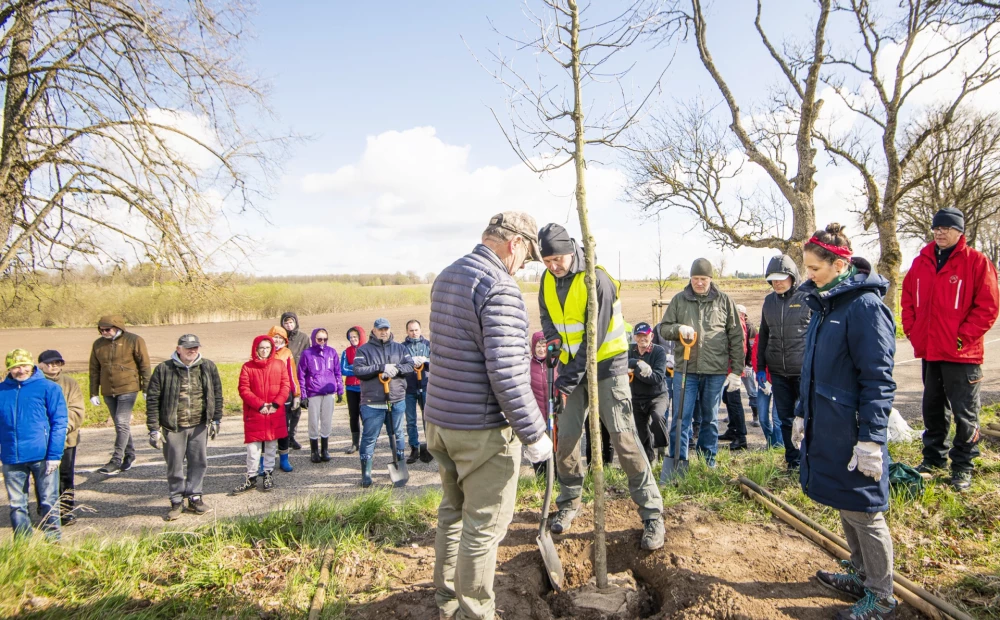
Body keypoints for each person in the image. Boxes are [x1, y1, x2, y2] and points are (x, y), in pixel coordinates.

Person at [424, 212, 552, 620]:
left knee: (453, 514)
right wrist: (535, 435)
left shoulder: (448, 275)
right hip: (480, 430)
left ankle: (446, 601)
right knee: (483, 526)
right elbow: (508, 372)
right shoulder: (500, 288)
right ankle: (475, 612)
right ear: (513, 243)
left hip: (441, 421)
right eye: (526, 256)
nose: (524, 266)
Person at [538, 222, 664, 550]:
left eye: (558, 259)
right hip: (569, 369)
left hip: (606, 367)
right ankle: (568, 503)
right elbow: (546, 315)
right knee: (564, 440)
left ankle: (652, 514)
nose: (553, 266)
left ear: (572, 250)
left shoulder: (598, 279)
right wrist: (552, 340)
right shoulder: (547, 280)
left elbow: (592, 341)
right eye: (547, 261)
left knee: (624, 440)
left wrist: (565, 383)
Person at [794, 224, 898, 619]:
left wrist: (871, 439)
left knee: (865, 510)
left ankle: (882, 595)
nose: (808, 275)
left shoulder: (864, 308)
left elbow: (878, 379)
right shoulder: (826, 305)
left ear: (839, 264)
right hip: (829, 423)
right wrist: (803, 412)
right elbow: (813, 369)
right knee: (844, 500)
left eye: (813, 267)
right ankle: (860, 573)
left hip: (854, 429)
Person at [901, 207, 1000, 491]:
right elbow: (907, 299)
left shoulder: (977, 262)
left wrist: (963, 337)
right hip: (931, 352)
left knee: (965, 413)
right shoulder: (921, 263)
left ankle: (963, 466)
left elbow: (988, 307)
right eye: (936, 228)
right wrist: (912, 329)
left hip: (963, 355)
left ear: (959, 232)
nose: (940, 232)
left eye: (946, 228)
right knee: (933, 409)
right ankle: (933, 460)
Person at [658, 258, 744, 477]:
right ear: (691, 279)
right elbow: (664, 328)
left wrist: (736, 371)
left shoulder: (724, 301)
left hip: (714, 371)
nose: (699, 283)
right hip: (685, 370)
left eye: (703, 279)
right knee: (681, 418)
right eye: (695, 279)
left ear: (710, 279)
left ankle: (708, 464)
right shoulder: (679, 300)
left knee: (710, 419)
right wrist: (679, 328)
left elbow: (736, 336)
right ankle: (679, 462)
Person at [146, 334, 224, 520]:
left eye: (195, 347)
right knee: (175, 465)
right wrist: (154, 428)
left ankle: (195, 497)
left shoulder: (208, 367)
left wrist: (216, 419)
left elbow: (217, 394)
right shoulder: (164, 369)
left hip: (199, 424)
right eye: (188, 347)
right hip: (173, 426)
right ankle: (176, 500)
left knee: (198, 462)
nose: (192, 350)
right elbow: (153, 400)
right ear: (178, 348)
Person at [0, 349, 67, 540]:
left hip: (43, 456)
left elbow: (59, 421)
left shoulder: (49, 388)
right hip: (12, 457)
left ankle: (53, 542)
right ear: (9, 369)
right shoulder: (2, 391)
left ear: (32, 366)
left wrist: (54, 455)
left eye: (24, 366)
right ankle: (23, 544)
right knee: (16, 504)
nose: (20, 370)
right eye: (15, 367)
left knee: (48, 501)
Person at [756, 254, 811, 471]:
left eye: (781, 278)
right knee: (785, 418)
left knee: (808, 417)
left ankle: (811, 460)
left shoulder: (807, 297)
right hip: (778, 372)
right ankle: (793, 461)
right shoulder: (769, 302)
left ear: (792, 277)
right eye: (773, 279)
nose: (777, 283)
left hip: (803, 371)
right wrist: (761, 367)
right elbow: (764, 335)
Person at [352, 318, 414, 488]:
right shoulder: (364, 350)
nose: (383, 332)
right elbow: (358, 370)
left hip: (396, 400)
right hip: (372, 402)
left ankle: (399, 463)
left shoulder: (400, 348)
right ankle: (366, 473)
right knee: (369, 437)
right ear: (373, 330)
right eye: (380, 329)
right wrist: (381, 367)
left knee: (398, 435)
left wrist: (397, 369)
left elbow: (410, 366)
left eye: (386, 329)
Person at [89, 315, 151, 474]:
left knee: (121, 422)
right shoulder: (98, 345)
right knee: (119, 425)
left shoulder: (134, 340)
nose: (104, 332)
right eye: (101, 330)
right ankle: (130, 455)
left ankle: (116, 459)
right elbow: (94, 370)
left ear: (118, 327)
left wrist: (147, 388)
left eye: (107, 329)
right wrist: (93, 392)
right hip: (108, 390)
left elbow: (144, 365)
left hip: (128, 387)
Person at [233, 336, 290, 495]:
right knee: (253, 448)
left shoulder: (279, 365)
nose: (264, 351)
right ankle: (251, 477)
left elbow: (285, 386)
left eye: (267, 348)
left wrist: (276, 404)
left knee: (271, 445)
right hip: (255, 413)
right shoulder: (247, 367)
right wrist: (260, 405)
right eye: (261, 348)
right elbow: (244, 389)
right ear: (256, 349)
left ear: (271, 349)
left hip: (274, 412)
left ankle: (268, 474)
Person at [38, 350, 85, 526]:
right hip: (41, 438)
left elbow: (77, 410)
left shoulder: (70, 383)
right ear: (40, 365)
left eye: (57, 363)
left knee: (65, 476)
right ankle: (46, 512)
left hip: (67, 439)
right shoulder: (35, 383)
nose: (53, 366)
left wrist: (63, 428)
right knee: (43, 476)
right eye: (49, 363)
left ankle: (65, 511)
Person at [297, 328, 343, 464]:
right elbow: (301, 375)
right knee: (313, 421)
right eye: (319, 339)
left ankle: (325, 449)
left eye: (324, 339)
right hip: (313, 392)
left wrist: (340, 389)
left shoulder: (332, 352)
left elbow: (337, 372)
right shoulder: (307, 354)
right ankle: (314, 450)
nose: (322, 342)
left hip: (329, 391)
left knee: (326, 420)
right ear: (314, 339)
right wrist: (303, 395)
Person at [627, 322, 669, 464]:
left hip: (657, 395)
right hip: (637, 397)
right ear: (635, 337)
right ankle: (649, 461)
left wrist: (635, 370)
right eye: (639, 336)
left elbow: (656, 378)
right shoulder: (630, 350)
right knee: (641, 430)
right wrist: (638, 362)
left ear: (651, 335)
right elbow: (622, 364)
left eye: (645, 335)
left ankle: (663, 447)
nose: (642, 339)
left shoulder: (659, 352)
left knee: (657, 417)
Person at [268, 326, 302, 473]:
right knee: (267, 430)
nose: (277, 340)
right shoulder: (263, 350)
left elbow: (292, 375)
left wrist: (296, 395)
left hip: (284, 394)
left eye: (280, 338)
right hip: (267, 395)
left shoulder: (287, 353)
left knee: (283, 429)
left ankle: (284, 459)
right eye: (275, 337)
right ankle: (265, 461)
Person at [280, 312, 310, 449]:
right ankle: (282, 437)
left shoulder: (303, 338)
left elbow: (307, 357)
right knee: (283, 411)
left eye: (291, 322)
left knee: (296, 409)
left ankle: (292, 436)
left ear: (295, 322)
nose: (289, 325)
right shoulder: (279, 338)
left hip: (298, 378)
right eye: (286, 323)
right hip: (282, 379)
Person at [403, 319, 431, 464]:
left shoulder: (428, 345)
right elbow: (400, 364)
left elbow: (436, 362)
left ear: (421, 330)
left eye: (416, 330)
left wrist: (425, 361)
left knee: (428, 419)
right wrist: (410, 363)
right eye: (411, 330)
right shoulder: (402, 347)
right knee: (411, 420)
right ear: (407, 331)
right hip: (409, 388)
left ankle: (431, 447)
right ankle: (414, 448)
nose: (414, 333)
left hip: (426, 387)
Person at [529, 330, 557, 475]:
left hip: (554, 414)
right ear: (533, 348)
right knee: (538, 448)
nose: (541, 350)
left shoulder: (554, 364)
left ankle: (556, 477)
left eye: (544, 346)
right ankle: (540, 479)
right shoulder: (528, 366)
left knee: (554, 447)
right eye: (538, 347)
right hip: (536, 416)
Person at [340, 326, 367, 454]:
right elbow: (343, 369)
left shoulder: (366, 350)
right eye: (351, 337)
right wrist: (357, 369)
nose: (353, 339)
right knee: (353, 416)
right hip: (350, 388)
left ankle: (367, 442)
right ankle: (355, 443)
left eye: (355, 337)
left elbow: (368, 368)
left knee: (365, 415)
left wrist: (354, 368)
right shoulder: (346, 352)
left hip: (364, 387)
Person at [737, 305, 760, 427]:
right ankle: (731, 415)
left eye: (740, 313)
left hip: (746, 365)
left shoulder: (750, 328)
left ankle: (756, 415)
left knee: (751, 390)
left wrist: (749, 365)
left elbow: (752, 347)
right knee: (732, 391)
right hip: (735, 365)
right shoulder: (733, 326)